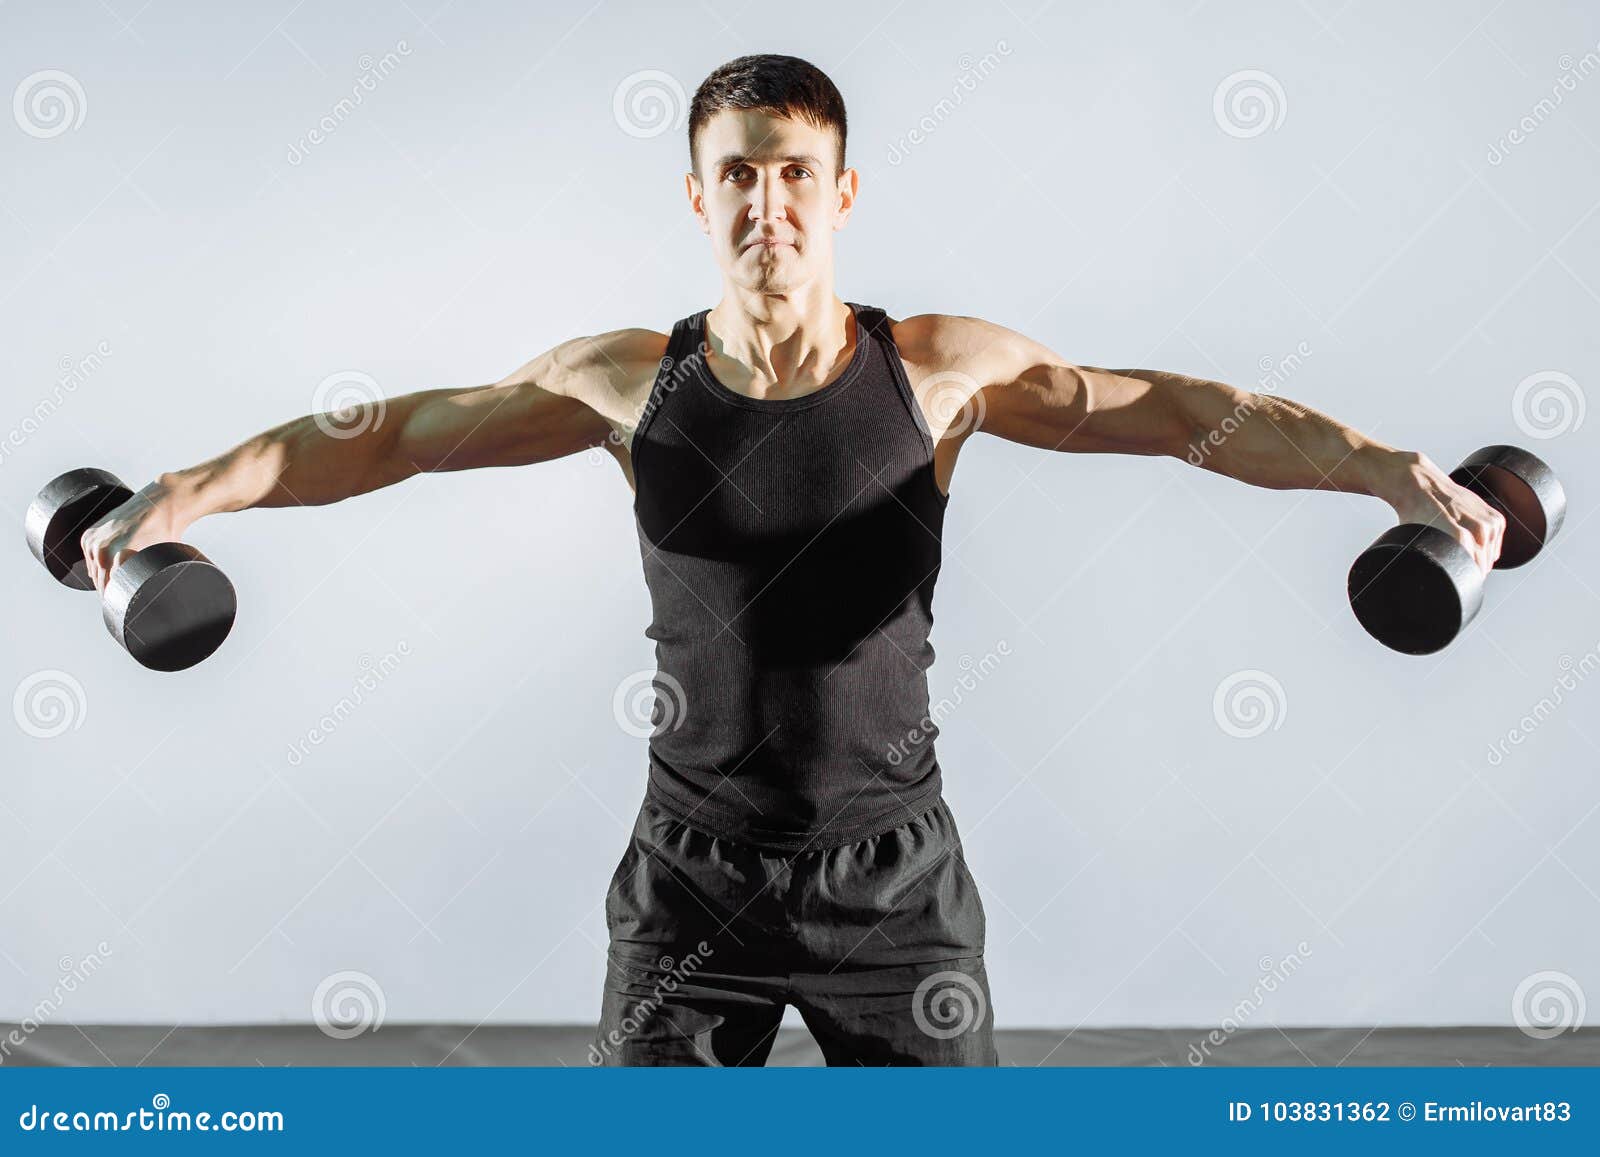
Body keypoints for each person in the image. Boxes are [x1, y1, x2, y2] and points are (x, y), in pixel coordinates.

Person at [77, 54, 1506, 1066]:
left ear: (845, 190)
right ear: (695, 199)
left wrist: (1385, 467)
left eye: (796, 175)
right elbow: (386, 435)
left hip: (897, 886)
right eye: (739, 178)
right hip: (687, 885)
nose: (770, 208)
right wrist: (187, 498)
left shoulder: (941, 376)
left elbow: (1181, 412)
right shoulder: (622, 386)